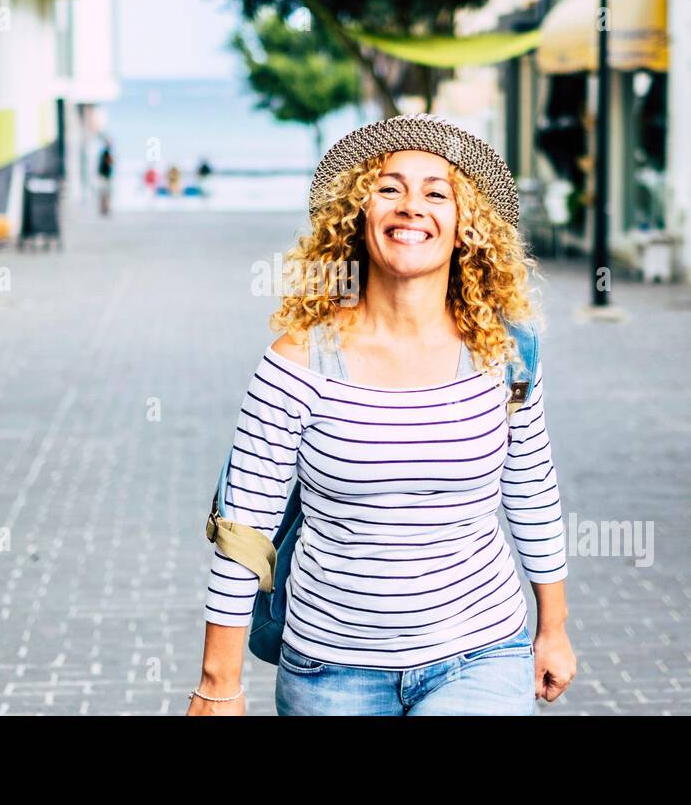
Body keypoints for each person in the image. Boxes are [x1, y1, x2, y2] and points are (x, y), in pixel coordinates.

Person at [188, 113, 576, 716]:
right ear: (358, 217)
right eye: (389, 188)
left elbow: (531, 488)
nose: (411, 206)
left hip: (481, 652)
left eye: (436, 192)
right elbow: (245, 527)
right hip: (330, 667)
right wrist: (219, 684)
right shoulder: (299, 360)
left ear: (464, 225)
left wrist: (553, 627)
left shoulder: (504, 352)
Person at [96, 137, 114, 216]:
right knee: (105, 193)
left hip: (105, 177)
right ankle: (104, 209)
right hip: (105, 177)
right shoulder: (106, 153)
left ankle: (105, 209)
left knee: (105, 193)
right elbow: (107, 165)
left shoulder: (106, 153)